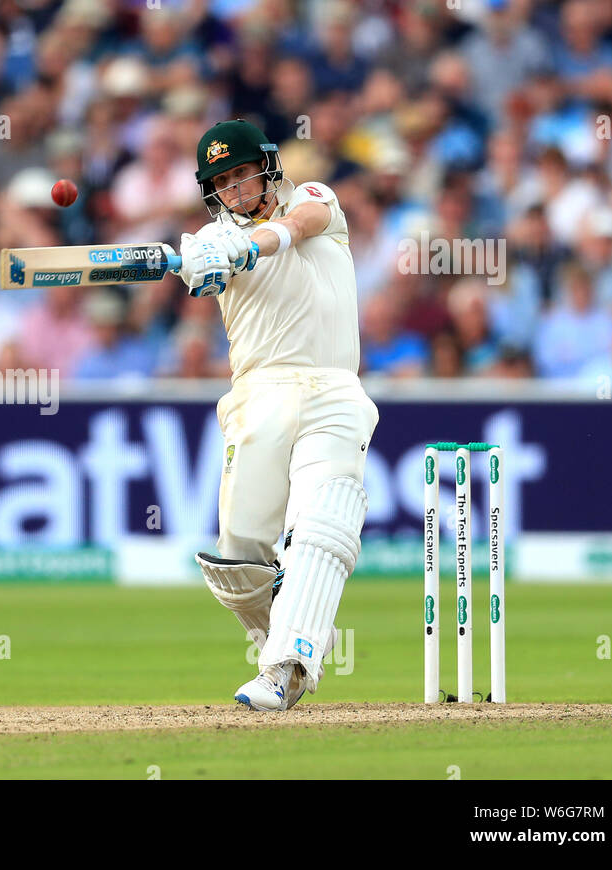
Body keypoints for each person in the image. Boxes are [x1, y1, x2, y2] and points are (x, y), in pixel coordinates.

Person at [177, 119, 378, 711]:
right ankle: (296, 632)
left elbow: (300, 225)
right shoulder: (209, 240)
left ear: (266, 166)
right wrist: (202, 261)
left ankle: (285, 667)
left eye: (241, 173)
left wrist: (253, 242)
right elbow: (204, 267)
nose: (236, 190)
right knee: (237, 560)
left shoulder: (314, 198)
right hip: (257, 394)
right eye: (223, 183)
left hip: (333, 389)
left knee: (322, 523)